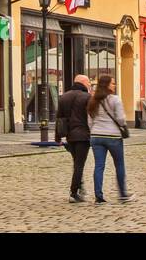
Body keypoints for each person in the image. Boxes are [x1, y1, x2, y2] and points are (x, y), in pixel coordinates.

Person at [87, 75, 131, 203]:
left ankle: (98, 195)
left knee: (99, 166)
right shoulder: (115, 100)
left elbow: (89, 120)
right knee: (119, 164)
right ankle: (123, 194)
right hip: (113, 136)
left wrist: (94, 131)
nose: (114, 85)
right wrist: (122, 126)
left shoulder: (93, 100)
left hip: (96, 136)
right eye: (113, 83)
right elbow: (121, 119)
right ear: (106, 85)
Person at [55, 74, 92, 203]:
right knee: (79, 165)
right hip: (83, 136)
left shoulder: (64, 96)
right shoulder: (87, 97)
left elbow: (59, 119)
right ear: (82, 82)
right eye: (88, 83)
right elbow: (91, 117)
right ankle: (74, 192)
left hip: (70, 136)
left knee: (77, 163)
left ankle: (80, 188)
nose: (90, 85)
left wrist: (57, 137)